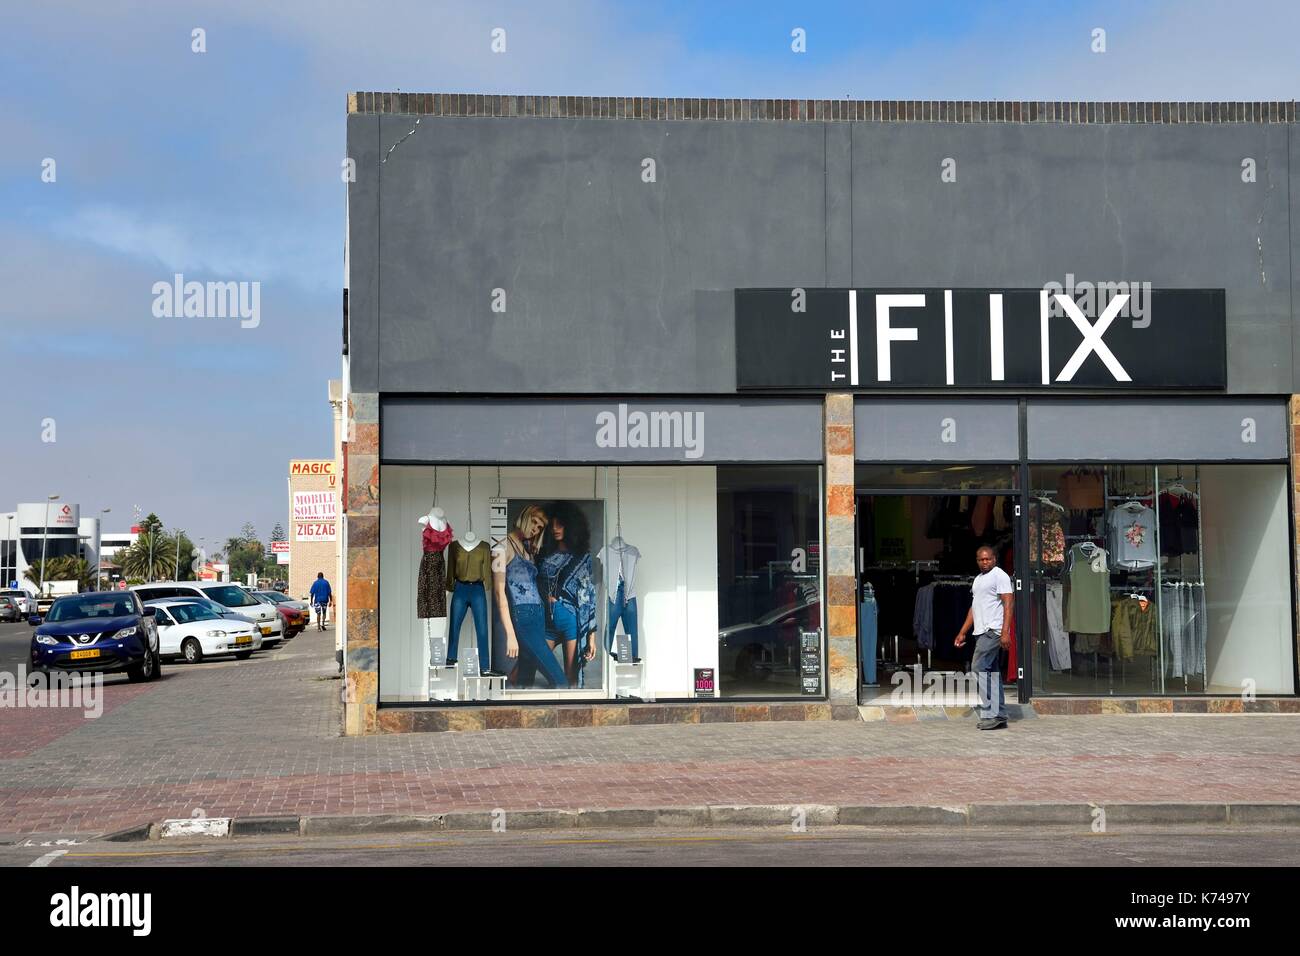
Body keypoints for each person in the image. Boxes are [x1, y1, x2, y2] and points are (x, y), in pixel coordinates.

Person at [493, 505, 569, 689]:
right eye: (534, 522)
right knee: (560, 681)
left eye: (540, 527)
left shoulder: (528, 549)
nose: (535, 528)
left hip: (538, 615)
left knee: (525, 681)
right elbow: (498, 592)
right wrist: (511, 634)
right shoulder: (501, 545)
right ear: (525, 517)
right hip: (523, 617)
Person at [536, 502, 598, 687]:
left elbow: (588, 597)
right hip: (547, 622)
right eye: (552, 524)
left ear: (571, 526)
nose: (555, 529)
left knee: (571, 675)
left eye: (560, 524)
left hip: (570, 621)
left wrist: (591, 638)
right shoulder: (543, 556)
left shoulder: (582, 558)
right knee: (533, 661)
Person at [954, 545, 1013, 730]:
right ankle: (999, 714)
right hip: (980, 632)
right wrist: (963, 631)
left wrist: (1005, 631)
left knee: (978, 667)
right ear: (977, 561)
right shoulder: (978, 580)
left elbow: (1009, 603)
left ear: (994, 559)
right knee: (992, 673)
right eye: (981, 559)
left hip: (993, 630)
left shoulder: (999, 575)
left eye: (988, 559)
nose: (985, 562)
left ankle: (991, 713)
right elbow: (974, 608)